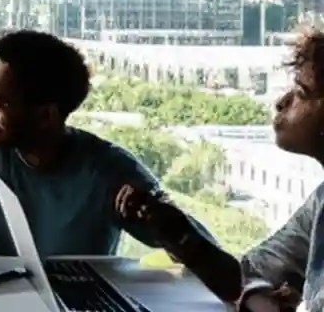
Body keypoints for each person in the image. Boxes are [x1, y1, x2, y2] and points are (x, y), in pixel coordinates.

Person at [0, 30, 211, 266]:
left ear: (45, 115)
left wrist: (171, 229)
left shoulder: (109, 170)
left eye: (1, 102)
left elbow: (218, 263)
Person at [125, 28, 324, 310]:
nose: (283, 102)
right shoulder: (320, 203)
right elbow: (249, 274)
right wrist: (178, 234)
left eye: (302, 92)